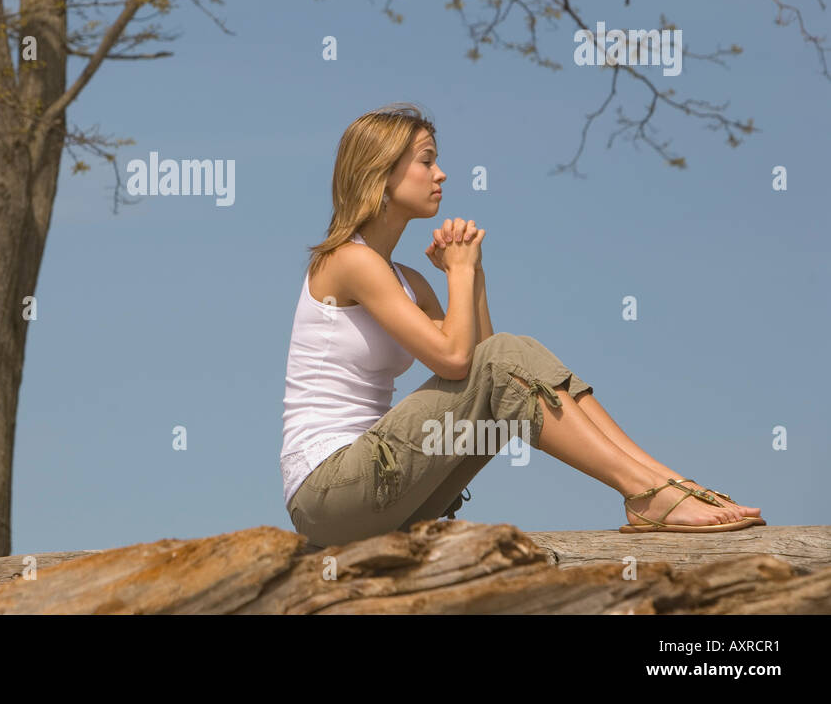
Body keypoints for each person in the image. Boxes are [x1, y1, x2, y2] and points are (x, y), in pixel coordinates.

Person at [280, 103, 764, 548]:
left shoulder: (406, 281)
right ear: (381, 172)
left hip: (381, 493)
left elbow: (496, 381)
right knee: (510, 355)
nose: (441, 173)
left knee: (517, 353)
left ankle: (667, 484)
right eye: (426, 160)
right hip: (329, 489)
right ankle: (647, 492)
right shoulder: (348, 260)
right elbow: (459, 360)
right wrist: (462, 272)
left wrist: (473, 277)